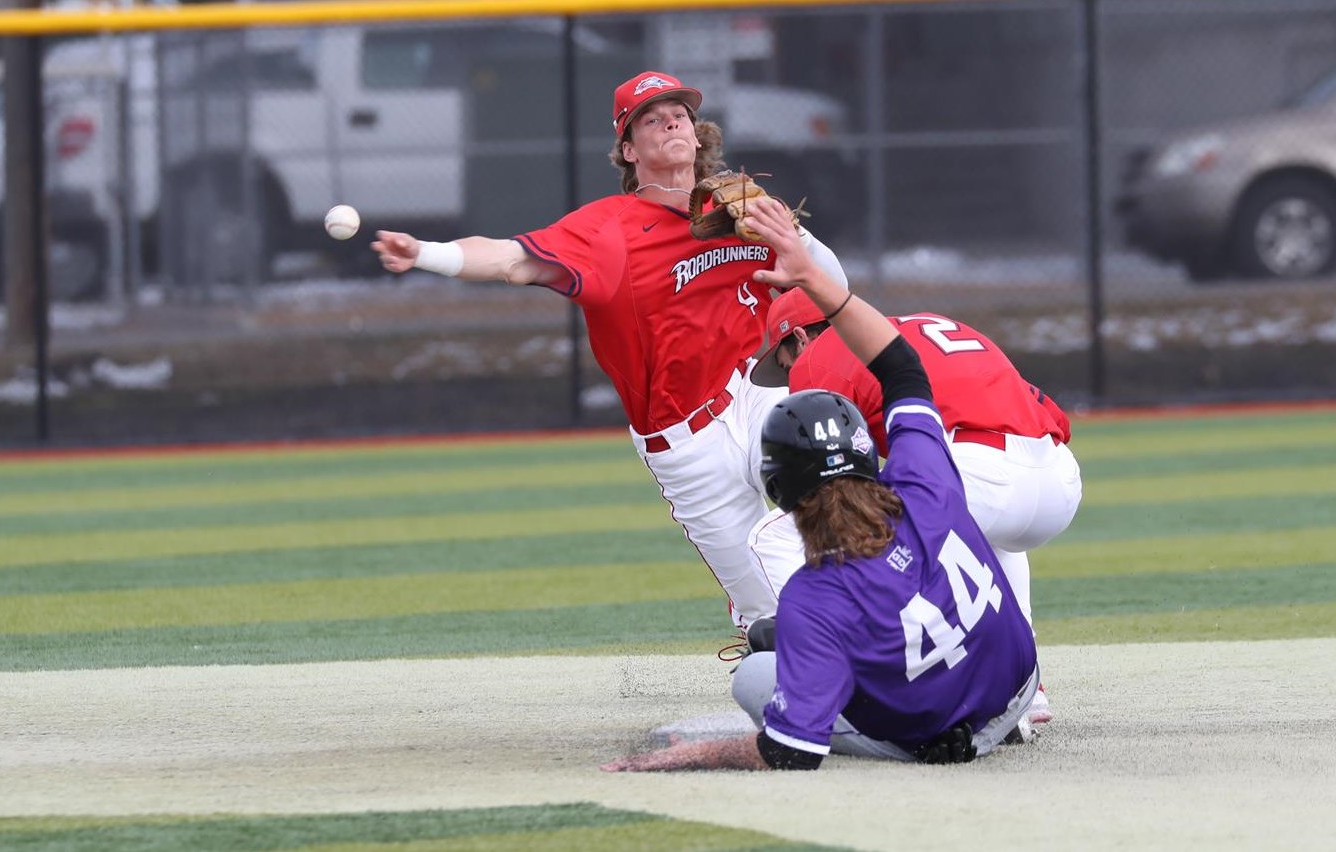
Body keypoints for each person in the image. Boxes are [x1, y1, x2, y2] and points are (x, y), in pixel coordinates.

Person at [371, 72, 848, 632]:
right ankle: (782, 646)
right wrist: (426, 252)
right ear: (628, 148)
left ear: (698, 136)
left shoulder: (744, 212)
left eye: (680, 114)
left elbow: (835, 290)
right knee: (772, 617)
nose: (671, 121)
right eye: (651, 117)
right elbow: (509, 260)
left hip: (755, 395)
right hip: (684, 443)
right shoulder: (607, 232)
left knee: (835, 491)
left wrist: (795, 240)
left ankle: (900, 626)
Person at [602, 195, 1040, 772]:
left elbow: (791, 752)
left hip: (933, 731)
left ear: (780, 491)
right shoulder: (924, 477)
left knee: (761, 667)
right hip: (1017, 690)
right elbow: (902, 367)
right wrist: (816, 277)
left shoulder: (814, 594)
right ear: (867, 449)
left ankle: (917, 736)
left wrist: (695, 755)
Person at [740, 289, 1083, 722]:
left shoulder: (821, 352)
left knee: (771, 535)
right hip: (1058, 478)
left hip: (982, 472)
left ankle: (839, 678)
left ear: (801, 338)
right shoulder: (919, 326)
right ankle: (1024, 693)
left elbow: (823, 471)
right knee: (983, 531)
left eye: (784, 359)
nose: (788, 371)